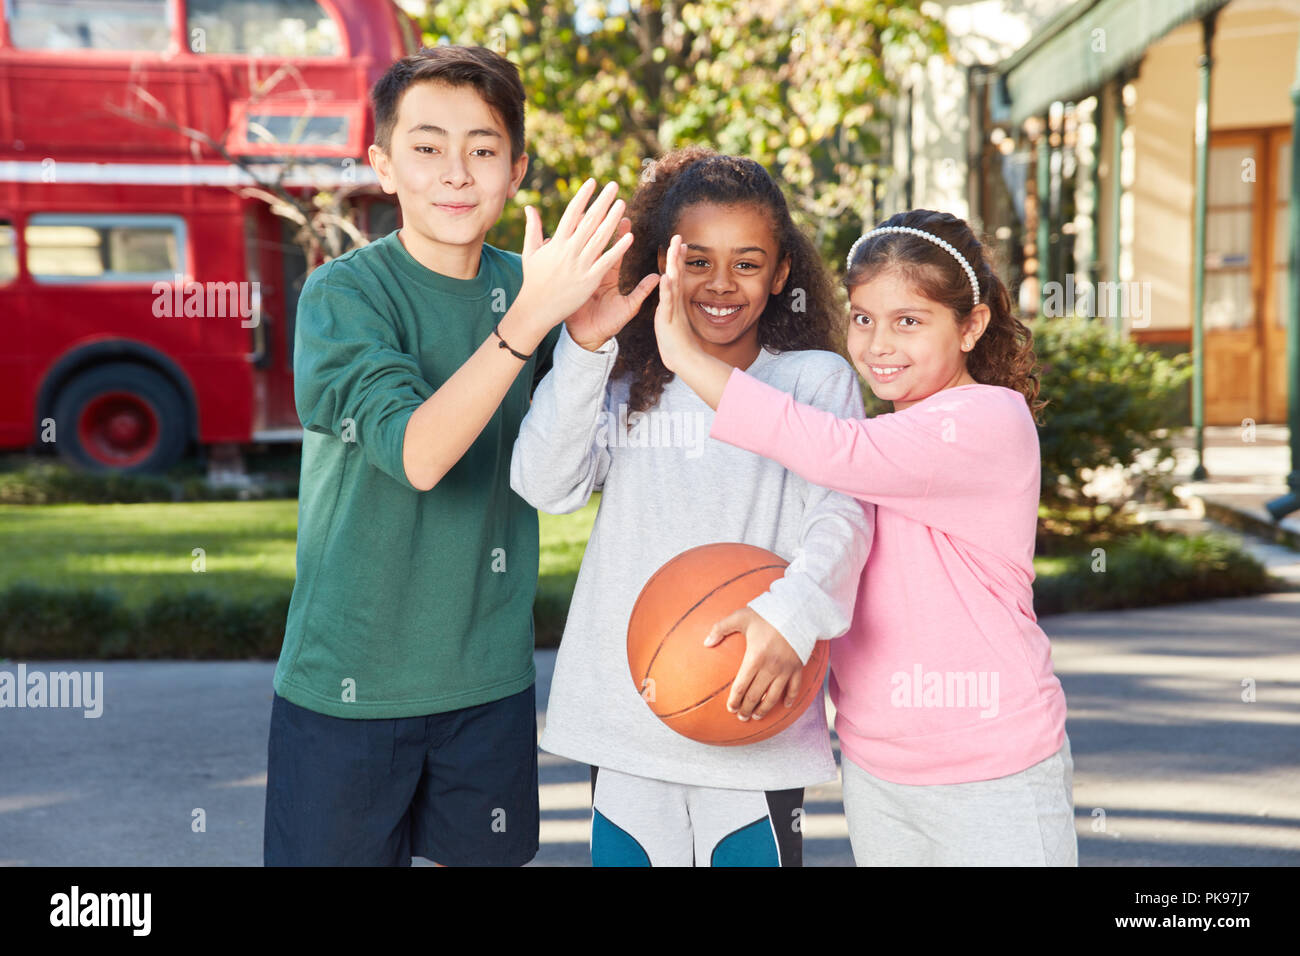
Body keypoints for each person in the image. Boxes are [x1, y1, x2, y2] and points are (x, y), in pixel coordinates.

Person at [264, 45, 654, 866]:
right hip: (350, 687)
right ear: (382, 164)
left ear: (515, 170)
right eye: (426, 146)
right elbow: (417, 455)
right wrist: (529, 320)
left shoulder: (544, 287)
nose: (456, 173)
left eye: (482, 149)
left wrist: (579, 341)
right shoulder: (345, 295)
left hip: (489, 687)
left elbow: (578, 468)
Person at [654, 208, 1077, 866]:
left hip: (994, 767)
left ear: (971, 326)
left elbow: (831, 449)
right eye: (863, 318)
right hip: (881, 769)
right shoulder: (889, 436)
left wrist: (683, 355)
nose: (879, 344)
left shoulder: (988, 419)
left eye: (909, 321)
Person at [510, 147, 873, 867]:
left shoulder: (812, 380)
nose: (721, 284)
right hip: (628, 720)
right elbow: (544, 485)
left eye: (747, 261)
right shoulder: (626, 378)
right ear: (664, 264)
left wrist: (789, 615)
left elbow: (844, 516)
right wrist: (583, 344)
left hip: (750, 710)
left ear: (781, 273)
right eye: (698, 260)